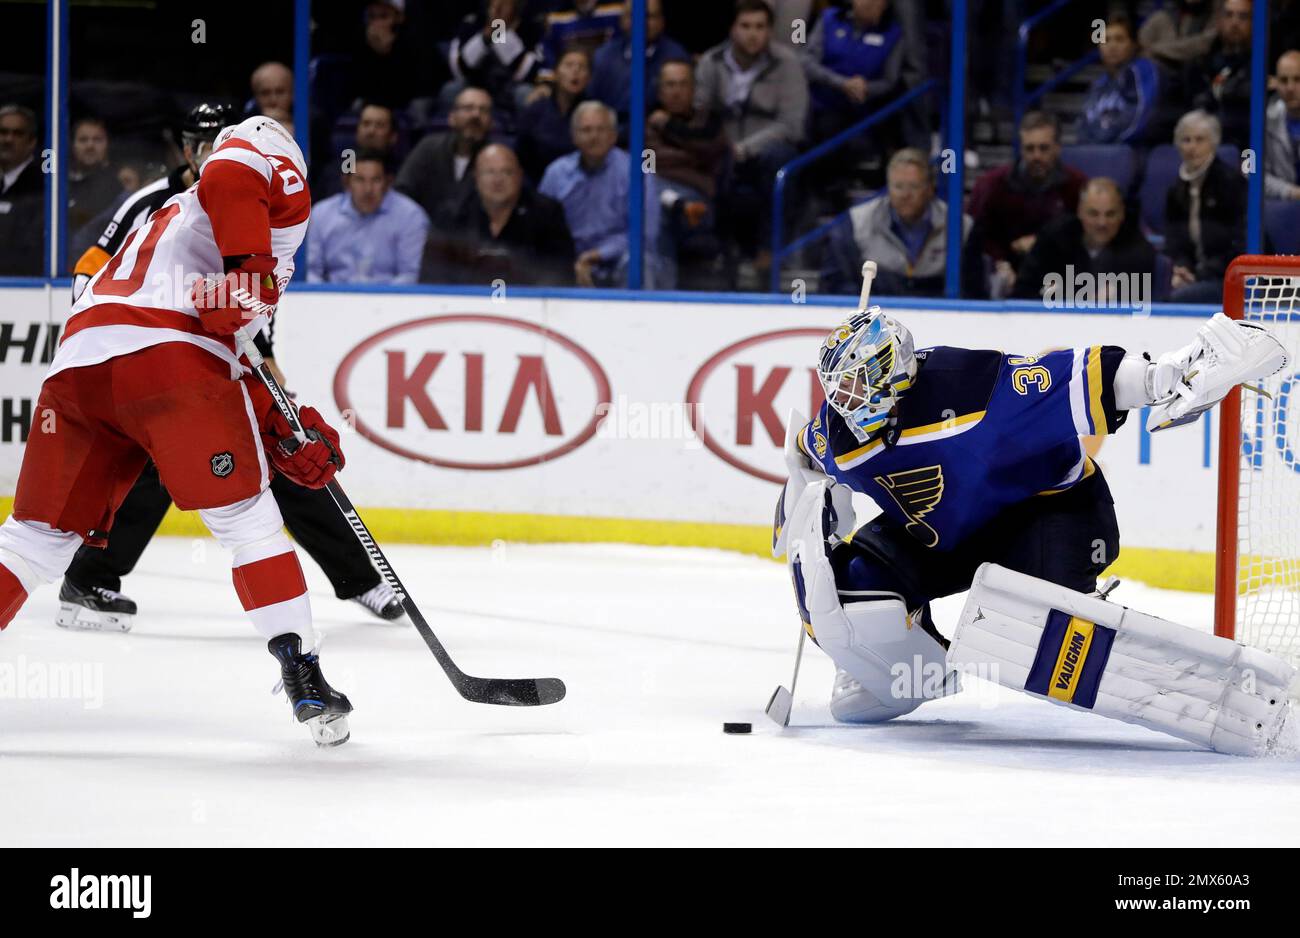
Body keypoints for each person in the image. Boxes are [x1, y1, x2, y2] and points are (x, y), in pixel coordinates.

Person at [774, 297, 1288, 751]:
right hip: (940, 536)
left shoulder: (970, 391)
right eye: (838, 386)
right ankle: (900, 673)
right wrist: (808, 506)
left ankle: (1081, 609)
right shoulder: (837, 433)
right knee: (851, 590)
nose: (847, 399)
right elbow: (804, 451)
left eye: (859, 383)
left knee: (1034, 623)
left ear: (897, 370)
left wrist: (1173, 372)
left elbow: (1088, 375)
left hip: (1048, 514)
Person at [0, 116, 356, 747]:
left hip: (81, 370)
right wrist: (249, 272)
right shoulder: (263, 155)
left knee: (32, 541)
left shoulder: (171, 223)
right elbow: (237, 166)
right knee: (247, 520)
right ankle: (302, 670)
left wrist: (282, 422)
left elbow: (228, 338)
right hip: (165, 361)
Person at [694, 0, 809, 263]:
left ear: (770, 31)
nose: (753, 33)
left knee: (779, 162)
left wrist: (745, 149)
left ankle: (769, 252)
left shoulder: (787, 64)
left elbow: (792, 125)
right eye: (745, 26)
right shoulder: (711, 62)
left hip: (767, 153)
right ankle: (718, 256)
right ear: (732, 29)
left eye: (760, 26)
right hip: (722, 151)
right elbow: (700, 112)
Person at [820, 148, 974, 297]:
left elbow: (973, 291)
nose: (905, 195)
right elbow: (835, 286)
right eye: (898, 187)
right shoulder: (857, 224)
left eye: (914, 187)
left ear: (929, 189)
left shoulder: (961, 227)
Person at [969, 111, 1088, 297]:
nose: (1036, 156)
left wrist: (1041, 243)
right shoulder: (993, 185)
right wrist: (999, 262)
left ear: (1057, 148)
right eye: (1029, 149)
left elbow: (1085, 235)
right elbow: (979, 236)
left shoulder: (1077, 185)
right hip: (1007, 274)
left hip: (1060, 277)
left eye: (1043, 148)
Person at [421, 143, 575, 286]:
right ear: (476, 177)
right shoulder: (450, 215)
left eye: (507, 172)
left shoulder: (547, 214)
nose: (497, 180)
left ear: (520, 176)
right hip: (465, 307)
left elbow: (561, 272)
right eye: (489, 172)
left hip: (527, 307)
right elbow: (432, 276)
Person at [646, 58, 729, 289]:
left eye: (683, 85)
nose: (676, 91)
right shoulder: (645, 120)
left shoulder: (709, 121)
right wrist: (686, 152)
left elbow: (708, 150)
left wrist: (669, 126)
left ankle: (661, 297)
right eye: (670, 85)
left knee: (654, 208)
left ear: (693, 89)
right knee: (652, 203)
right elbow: (648, 162)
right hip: (655, 190)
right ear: (660, 90)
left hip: (699, 200)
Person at [539, 101, 636, 286]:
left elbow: (645, 233)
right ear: (574, 136)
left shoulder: (636, 173)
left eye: (601, 130)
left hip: (617, 261)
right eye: (586, 130)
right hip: (566, 261)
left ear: (614, 135)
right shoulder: (556, 173)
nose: (594, 136)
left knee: (638, 262)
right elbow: (541, 227)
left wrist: (597, 255)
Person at [1012, 178, 1156, 301]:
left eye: (1110, 214)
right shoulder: (1054, 239)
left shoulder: (1138, 250)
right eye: (1093, 214)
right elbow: (1023, 291)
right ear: (1080, 212)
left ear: (1122, 214)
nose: (1102, 223)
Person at [309, 149, 429, 283]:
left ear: (387, 183)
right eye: (360, 180)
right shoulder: (321, 214)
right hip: (332, 298)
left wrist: (382, 301)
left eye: (376, 180)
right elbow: (310, 271)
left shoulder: (410, 216)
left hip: (390, 300)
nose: (368, 189)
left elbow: (410, 274)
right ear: (347, 183)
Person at [1165, 111, 1245, 303]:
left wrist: (1200, 273)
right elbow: (1174, 242)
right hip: (1194, 275)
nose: (1192, 147)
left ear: (1214, 144)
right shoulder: (1175, 190)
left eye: (1200, 140)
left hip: (1227, 277)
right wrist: (1182, 268)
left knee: (1176, 298)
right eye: (1186, 140)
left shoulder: (1231, 183)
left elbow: (1238, 244)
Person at [396, 86, 493, 223]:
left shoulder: (500, 158)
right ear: (451, 117)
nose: (475, 115)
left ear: (491, 122)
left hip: (478, 241)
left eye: (483, 110)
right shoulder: (428, 148)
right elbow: (402, 194)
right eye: (468, 108)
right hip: (428, 236)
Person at [589, 0, 689, 129]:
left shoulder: (676, 56)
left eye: (649, 16)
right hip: (609, 136)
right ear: (621, 20)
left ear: (661, 21)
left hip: (660, 137)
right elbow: (592, 102)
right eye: (633, 16)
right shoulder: (604, 56)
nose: (641, 22)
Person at [1076, 13, 1162, 145]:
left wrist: (1113, 149)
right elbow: (1083, 124)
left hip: (1130, 154)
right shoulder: (1098, 84)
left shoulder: (1142, 70)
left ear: (1133, 45)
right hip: (1098, 154)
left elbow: (1143, 118)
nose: (1112, 46)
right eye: (1106, 40)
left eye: (1119, 39)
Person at [447, 0, 543, 115]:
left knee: (525, 93)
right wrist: (485, 37)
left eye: (504, 4)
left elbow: (527, 72)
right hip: (475, 86)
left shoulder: (529, 27)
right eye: (494, 3)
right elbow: (460, 68)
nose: (497, 8)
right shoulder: (472, 23)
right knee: (451, 89)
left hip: (511, 88)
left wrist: (499, 30)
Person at [516, 48, 591, 184]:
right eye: (569, 65)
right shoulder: (536, 109)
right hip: (539, 185)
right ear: (555, 73)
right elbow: (521, 155)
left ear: (589, 78)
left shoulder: (593, 113)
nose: (575, 71)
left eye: (582, 67)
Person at [1185, 0, 1252, 150]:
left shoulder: (1261, 65)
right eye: (1229, 15)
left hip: (1248, 149)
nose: (1234, 23)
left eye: (1243, 17)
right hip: (1206, 148)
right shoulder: (1201, 64)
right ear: (1219, 20)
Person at [314, 102, 402, 201]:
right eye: (366, 124)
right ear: (357, 130)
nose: (371, 131)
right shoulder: (341, 167)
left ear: (393, 136)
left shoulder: (402, 169)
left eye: (379, 125)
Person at [0, 104, 43, 276]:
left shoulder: (43, 185)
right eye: (3, 132)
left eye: (17, 133)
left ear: (31, 142)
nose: (8, 139)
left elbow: (29, 250)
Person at [67, 116, 123, 238]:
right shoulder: (59, 185)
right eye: (83, 140)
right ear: (73, 146)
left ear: (107, 144)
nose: (90, 145)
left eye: (97, 140)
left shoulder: (119, 185)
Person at [1265, 50, 1300, 200]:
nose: (1290, 88)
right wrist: (1290, 191)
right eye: (1284, 80)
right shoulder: (1262, 123)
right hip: (1282, 209)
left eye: (1298, 79)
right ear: (1275, 83)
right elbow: (1250, 173)